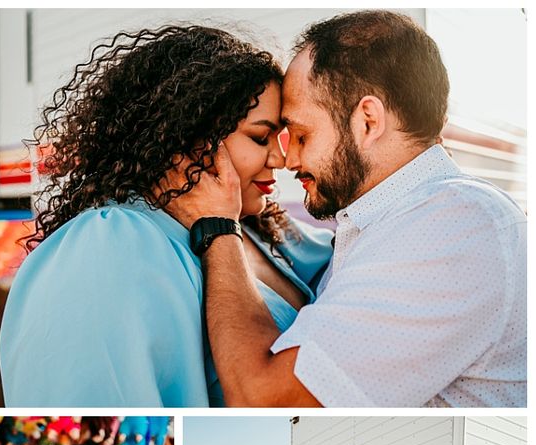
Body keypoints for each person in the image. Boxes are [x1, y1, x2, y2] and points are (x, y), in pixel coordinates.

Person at [167, 11, 526, 407]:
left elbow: (265, 401)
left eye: (302, 135)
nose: (289, 160)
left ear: (367, 122)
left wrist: (217, 226)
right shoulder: (398, 220)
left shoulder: (452, 227)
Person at [0, 26, 333, 407]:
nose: (282, 159)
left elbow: (355, 264)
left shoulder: (257, 224)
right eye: (260, 138)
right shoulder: (108, 246)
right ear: (189, 138)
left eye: (281, 138)